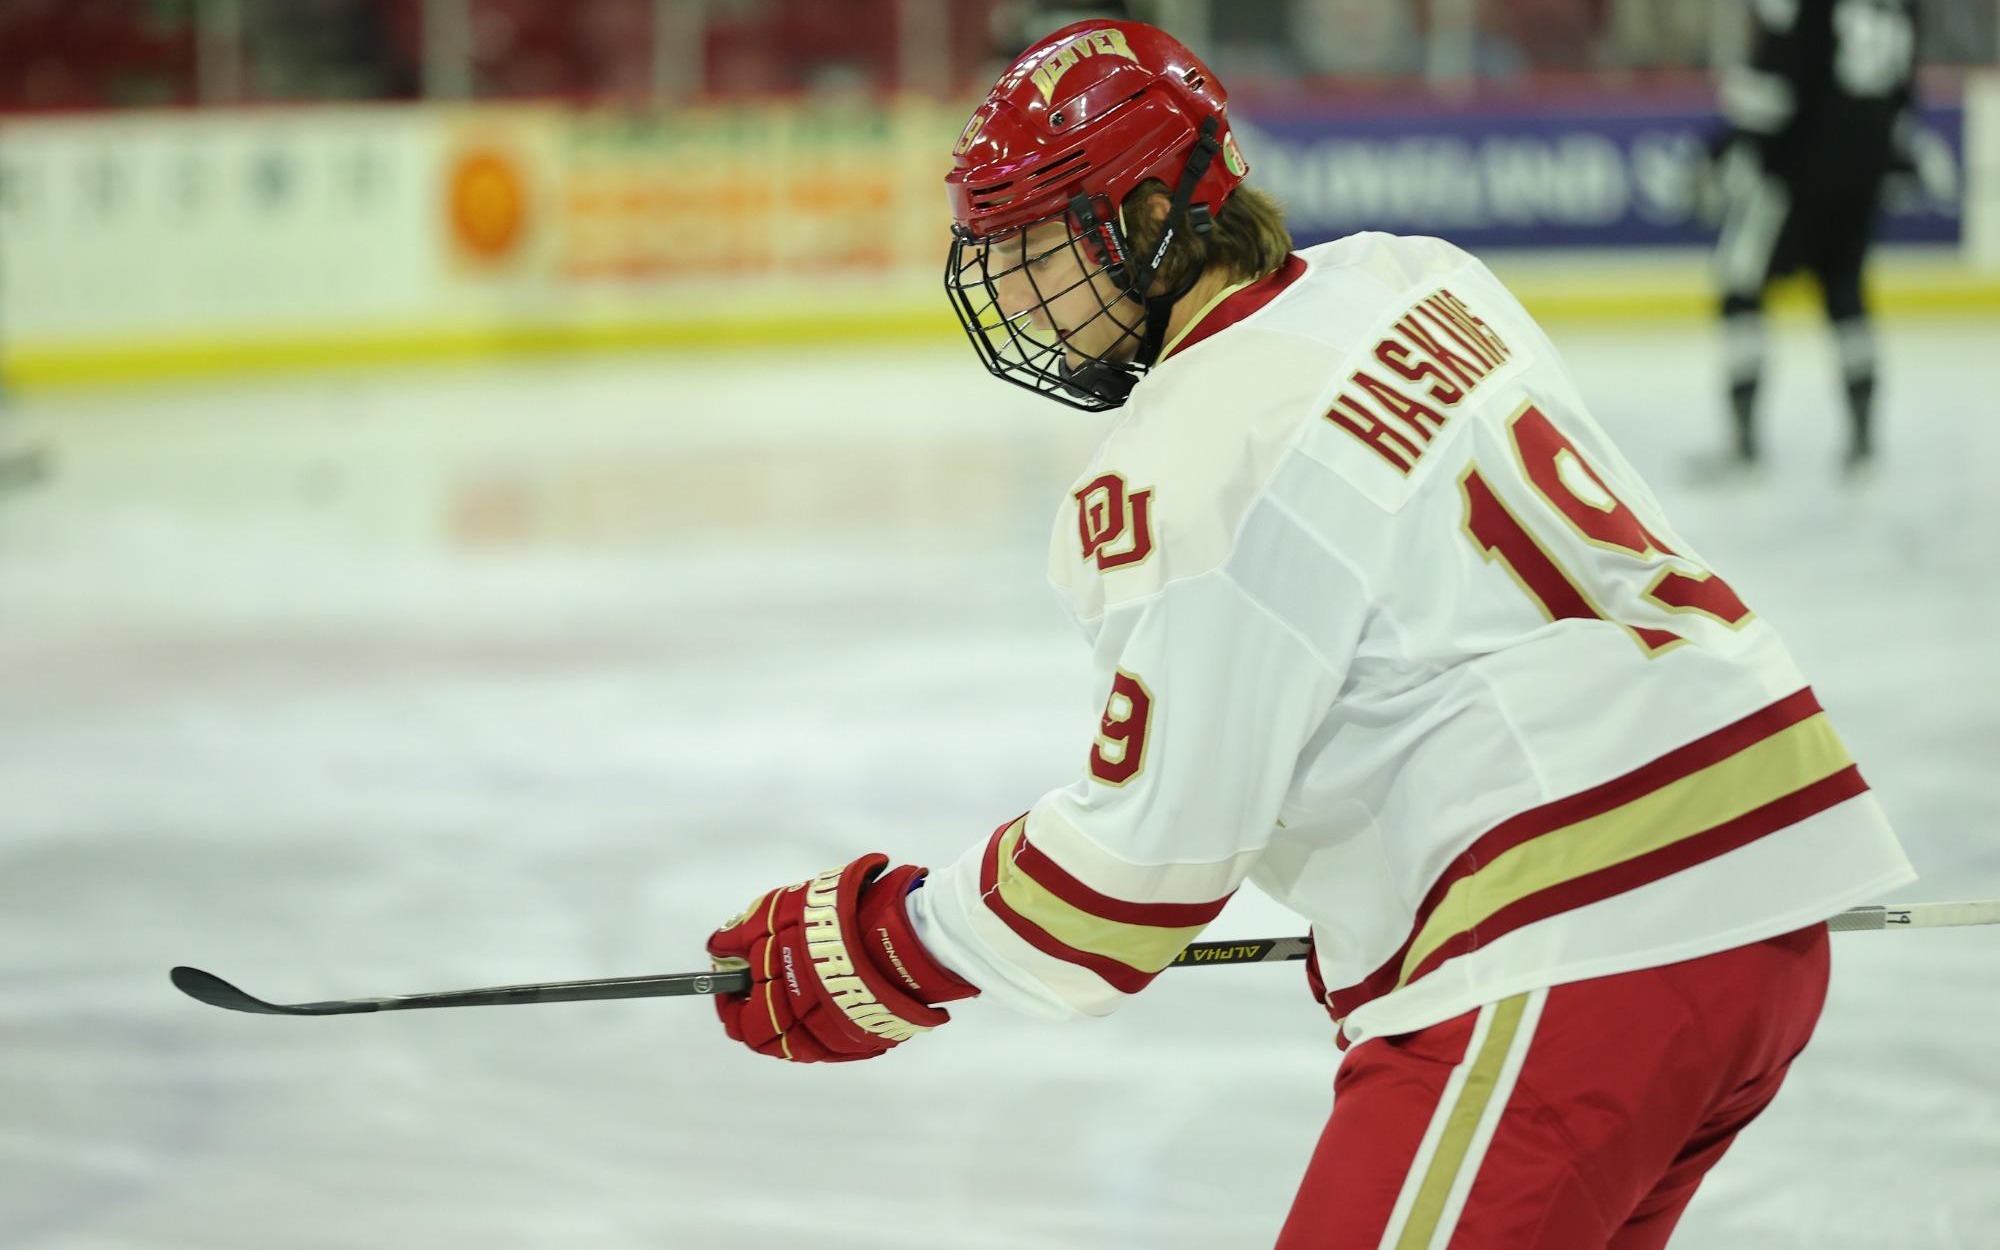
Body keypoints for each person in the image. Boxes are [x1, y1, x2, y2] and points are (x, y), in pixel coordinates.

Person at [707, 21, 1915, 1249]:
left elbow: (1131, 880)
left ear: (1147, 224)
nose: (1006, 283)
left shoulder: (1185, 460)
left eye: (1035, 240)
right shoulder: (1416, 273)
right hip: (1759, 904)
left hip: (1576, 944)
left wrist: (887, 938)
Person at [1706, 0, 1932, 476]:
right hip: (1863, 176)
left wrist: (1726, 146)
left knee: (1741, 290)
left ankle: (1744, 442)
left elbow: (1782, 81)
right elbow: (1902, 91)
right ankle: (1863, 437)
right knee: (1846, 295)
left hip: (1795, 174)